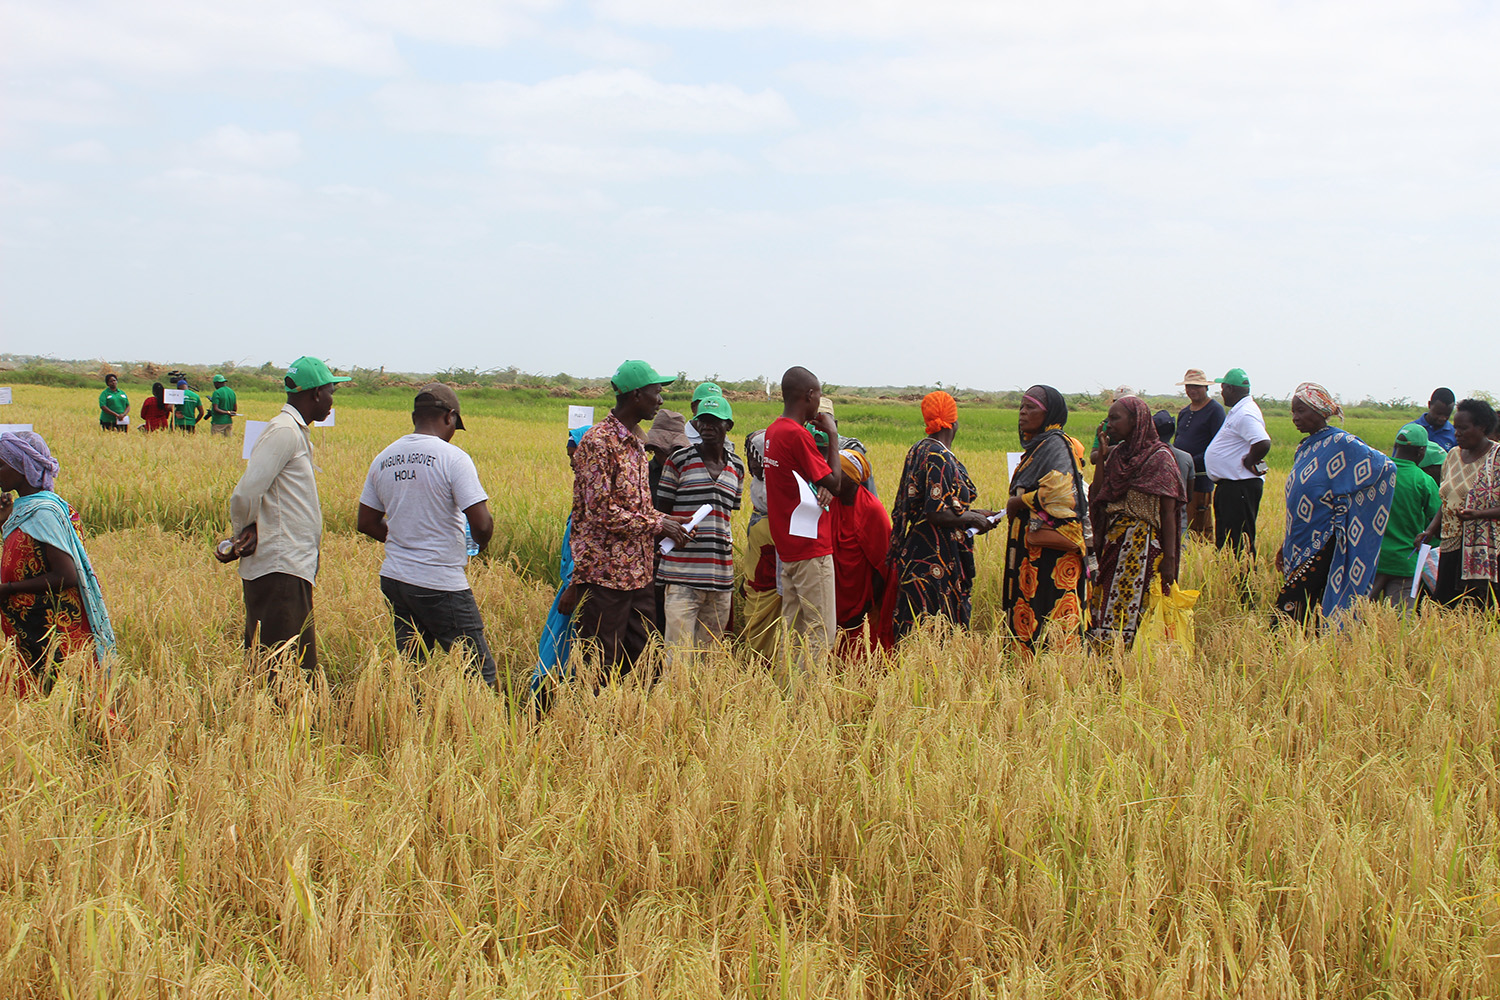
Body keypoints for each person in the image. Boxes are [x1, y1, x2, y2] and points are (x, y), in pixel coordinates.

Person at [357, 383, 498, 688]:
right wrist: (479, 545)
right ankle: (490, 727)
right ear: (450, 417)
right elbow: (482, 525)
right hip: (438, 581)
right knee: (479, 672)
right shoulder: (453, 458)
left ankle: (412, 722)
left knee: (413, 667)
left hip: (395, 578)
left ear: (414, 417)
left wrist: (404, 539)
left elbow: (366, 521)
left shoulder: (384, 457)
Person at [216, 356, 349, 677]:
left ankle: (281, 722)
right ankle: (278, 723)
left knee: (286, 661)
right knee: (283, 668)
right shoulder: (284, 431)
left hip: (289, 565)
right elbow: (246, 492)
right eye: (331, 391)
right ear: (315, 393)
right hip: (280, 567)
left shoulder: (293, 430)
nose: (333, 399)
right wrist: (242, 533)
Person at [568, 361, 691, 685]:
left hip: (638, 573)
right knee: (598, 663)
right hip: (605, 575)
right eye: (656, 392)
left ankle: (635, 723)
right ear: (637, 395)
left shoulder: (636, 443)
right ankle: (584, 727)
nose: (660, 399)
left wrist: (667, 520)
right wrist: (657, 526)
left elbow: (638, 507)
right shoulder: (598, 442)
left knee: (648, 657)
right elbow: (602, 512)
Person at [0, 432, 117, 697]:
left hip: (52, 629)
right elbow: (26, 553)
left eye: (1, 464)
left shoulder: (43, 512)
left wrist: (8, 588)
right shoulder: (27, 507)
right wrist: (4, 520)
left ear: (21, 466)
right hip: (33, 626)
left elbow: (67, 575)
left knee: (62, 697)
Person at [1274, 383, 1395, 623]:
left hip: (1323, 539)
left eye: (1301, 411)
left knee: (1290, 605)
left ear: (1320, 411)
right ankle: (1309, 652)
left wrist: (1343, 504)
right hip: (1299, 538)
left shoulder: (1341, 442)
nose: (1295, 418)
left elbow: (1385, 466)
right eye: (1293, 412)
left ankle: (1279, 647)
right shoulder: (1305, 448)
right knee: (1307, 606)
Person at [886, 391, 994, 643]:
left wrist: (974, 514)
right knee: (936, 631)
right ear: (954, 422)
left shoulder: (920, 449)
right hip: (936, 556)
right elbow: (937, 512)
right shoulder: (939, 456)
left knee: (916, 630)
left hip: (918, 552)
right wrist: (975, 520)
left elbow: (935, 505)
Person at [1087, 396, 1186, 645]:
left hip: (1143, 546)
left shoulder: (1160, 458)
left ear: (1136, 420)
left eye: (1115, 418)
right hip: (1114, 541)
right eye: (1107, 418)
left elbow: (1168, 512)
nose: (1109, 424)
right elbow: (1099, 496)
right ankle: (1108, 657)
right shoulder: (1118, 454)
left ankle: (1130, 661)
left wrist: (1170, 560)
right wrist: (1102, 455)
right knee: (1107, 600)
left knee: (1136, 607)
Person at [764, 366, 842, 669]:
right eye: (819, 394)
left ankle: (786, 699)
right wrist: (832, 435)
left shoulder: (774, 430)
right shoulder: (797, 435)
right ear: (809, 395)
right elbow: (834, 480)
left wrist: (823, 484)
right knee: (822, 634)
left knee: (793, 632)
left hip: (789, 548)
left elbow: (813, 480)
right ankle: (807, 705)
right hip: (812, 549)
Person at [1003, 386, 1091, 653]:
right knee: (1032, 612)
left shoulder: (1055, 444)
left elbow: (1062, 494)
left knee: (1050, 615)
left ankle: (1055, 680)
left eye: (1031, 407)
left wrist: (1019, 502)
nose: (1023, 412)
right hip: (1033, 552)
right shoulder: (1039, 446)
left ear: (1049, 412)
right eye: (1021, 406)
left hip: (1051, 558)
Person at [655, 394, 744, 656]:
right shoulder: (678, 461)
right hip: (681, 576)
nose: (707, 426)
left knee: (710, 659)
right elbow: (661, 514)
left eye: (714, 421)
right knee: (677, 658)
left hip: (720, 579)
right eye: (702, 421)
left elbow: (727, 516)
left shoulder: (737, 467)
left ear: (728, 425)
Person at [1417, 398, 1499, 606]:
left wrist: (1479, 514)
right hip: (1450, 544)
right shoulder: (1453, 455)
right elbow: (1447, 502)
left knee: (1480, 608)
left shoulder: (1496, 457)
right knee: (1446, 605)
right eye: (1455, 428)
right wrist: (1430, 530)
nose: (1456, 433)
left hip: (1484, 550)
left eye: (1463, 428)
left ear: (1482, 427)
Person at [531, 424, 591, 702]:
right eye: (569, 458)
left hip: (576, 589)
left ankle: (548, 706)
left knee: (560, 652)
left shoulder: (595, 494)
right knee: (557, 649)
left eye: (575, 456)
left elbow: (592, 546)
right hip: (569, 586)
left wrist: (574, 586)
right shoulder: (584, 490)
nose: (571, 464)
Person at [1370, 424, 1441, 609]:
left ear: (1396, 445)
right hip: (1405, 562)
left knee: (1357, 617)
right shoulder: (1423, 480)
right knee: (1399, 622)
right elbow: (1438, 520)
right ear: (1421, 451)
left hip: (1372, 560)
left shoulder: (1376, 472)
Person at [1203, 367, 1270, 556]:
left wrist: (1250, 461)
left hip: (1240, 487)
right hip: (1231, 486)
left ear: (1230, 389)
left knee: (1238, 540)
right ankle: (1229, 578)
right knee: (1227, 539)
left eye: (1222, 389)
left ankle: (1242, 581)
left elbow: (1262, 442)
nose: (1221, 393)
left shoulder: (1245, 413)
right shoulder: (1239, 410)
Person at [830, 448, 891, 652]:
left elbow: (884, 564)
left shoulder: (872, 510)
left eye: (839, 472)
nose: (833, 477)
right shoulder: (831, 503)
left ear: (853, 478)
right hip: (836, 597)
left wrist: (866, 606)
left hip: (863, 602)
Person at [738, 429, 781, 660]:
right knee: (754, 612)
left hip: (772, 557)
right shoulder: (757, 484)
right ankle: (756, 663)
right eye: (750, 457)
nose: (753, 464)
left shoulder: (780, 485)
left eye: (758, 458)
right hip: (759, 551)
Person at [1173, 369, 1226, 539]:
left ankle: (1201, 558)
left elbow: (1217, 445)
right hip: (1180, 474)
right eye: (1189, 386)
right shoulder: (1185, 412)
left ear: (1206, 388)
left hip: (1200, 476)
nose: (1192, 390)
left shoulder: (1215, 410)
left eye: (1197, 386)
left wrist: (1190, 462)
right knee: (1181, 519)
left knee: (1199, 522)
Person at [1153, 411, 1196, 507]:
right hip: (1179, 516)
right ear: (1173, 432)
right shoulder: (1186, 458)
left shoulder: (1145, 456)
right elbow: (1189, 496)